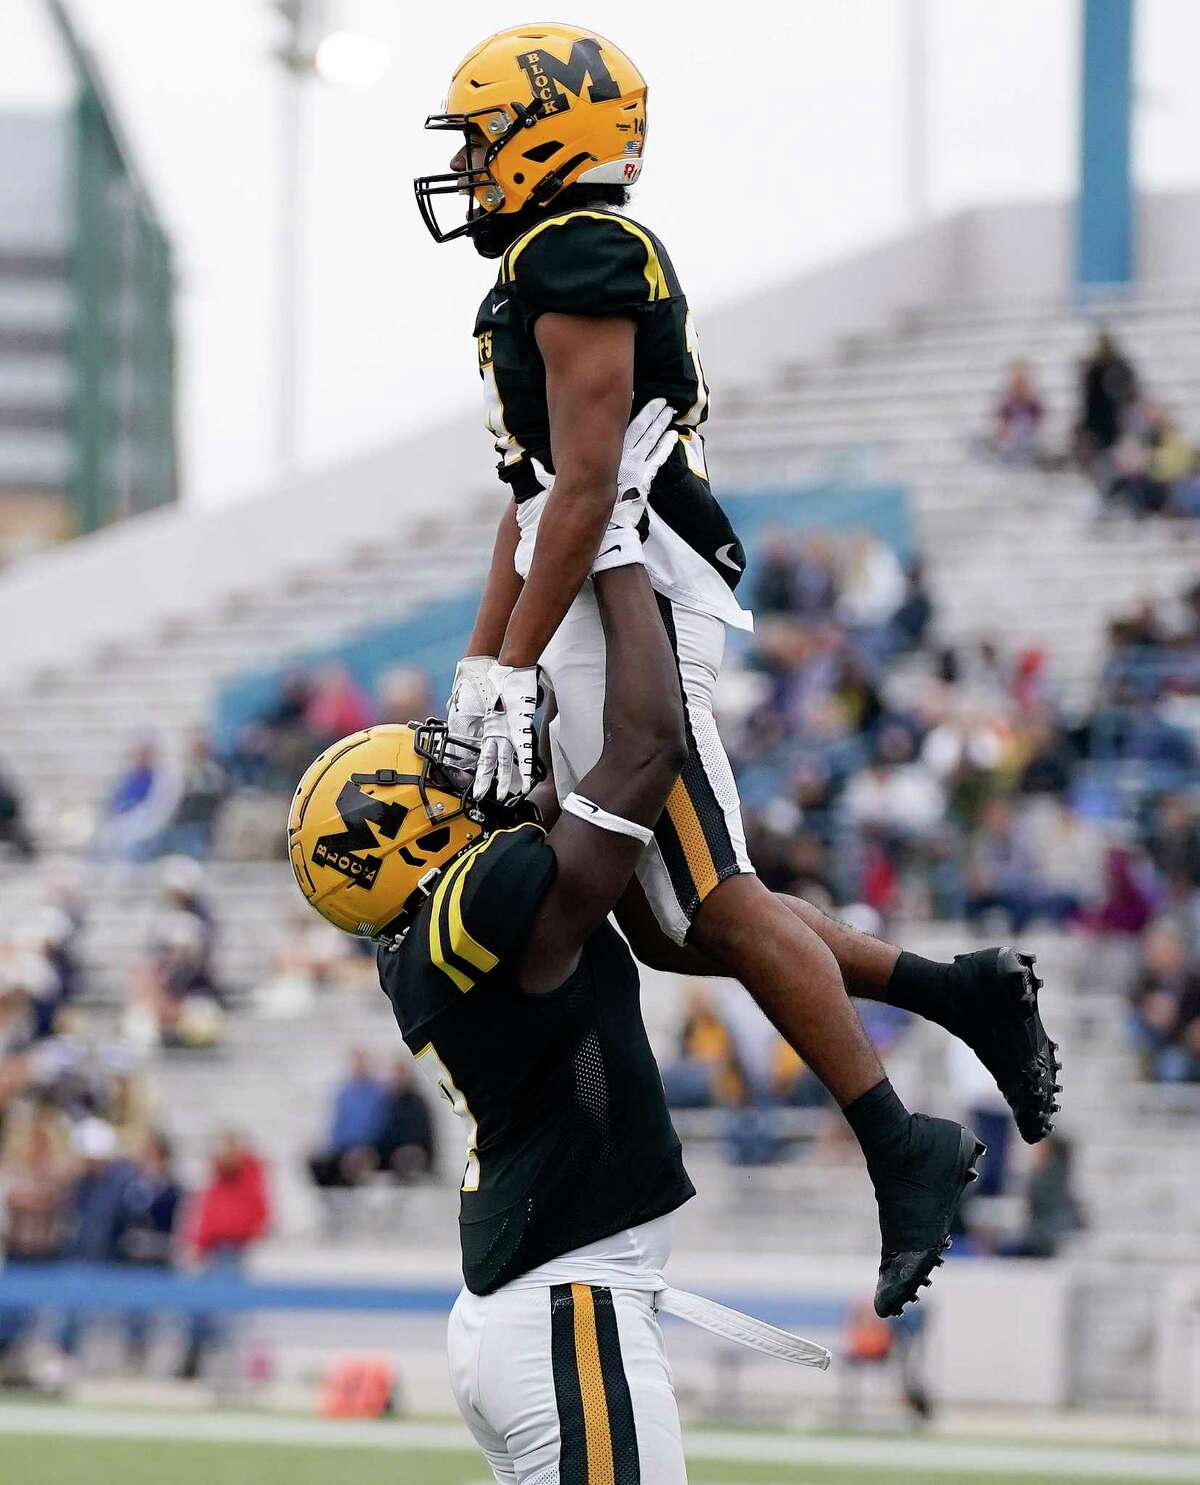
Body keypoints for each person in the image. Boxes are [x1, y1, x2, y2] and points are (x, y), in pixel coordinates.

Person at [418, 21, 1061, 1296]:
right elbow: (532, 500)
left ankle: (903, 1141)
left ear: (550, 136)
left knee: (710, 898)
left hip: (635, 590)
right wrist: (481, 663)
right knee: (671, 924)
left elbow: (587, 485)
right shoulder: (546, 262)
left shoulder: (579, 250)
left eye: (486, 139)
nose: (472, 167)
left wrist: (517, 660)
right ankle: (959, 993)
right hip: (599, 581)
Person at [289, 526, 976, 1478]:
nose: (453, 773)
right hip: (566, 1309)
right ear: (395, 841)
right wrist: (612, 549)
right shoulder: (482, 905)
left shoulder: (428, 931)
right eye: (428, 781)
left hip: (532, 1308)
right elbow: (647, 745)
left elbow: (576, 801)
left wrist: (543, 573)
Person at [178, 1131, 271, 1380]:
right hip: (212, 1250)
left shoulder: (250, 1179)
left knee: (225, 1313)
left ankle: (220, 1366)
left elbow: (255, 1216)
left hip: (232, 1250)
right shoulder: (217, 1181)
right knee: (199, 1307)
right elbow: (207, 1216)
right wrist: (199, 1245)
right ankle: (195, 1361)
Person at [308, 1047, 389, 1188]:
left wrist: (363, 1144)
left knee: (355, 1164)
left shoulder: (378, 1093)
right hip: (344, 1148)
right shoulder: (344, 1094)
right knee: (317, 1164)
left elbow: (380, 1125)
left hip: (369, 1149)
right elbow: (337, 1126)